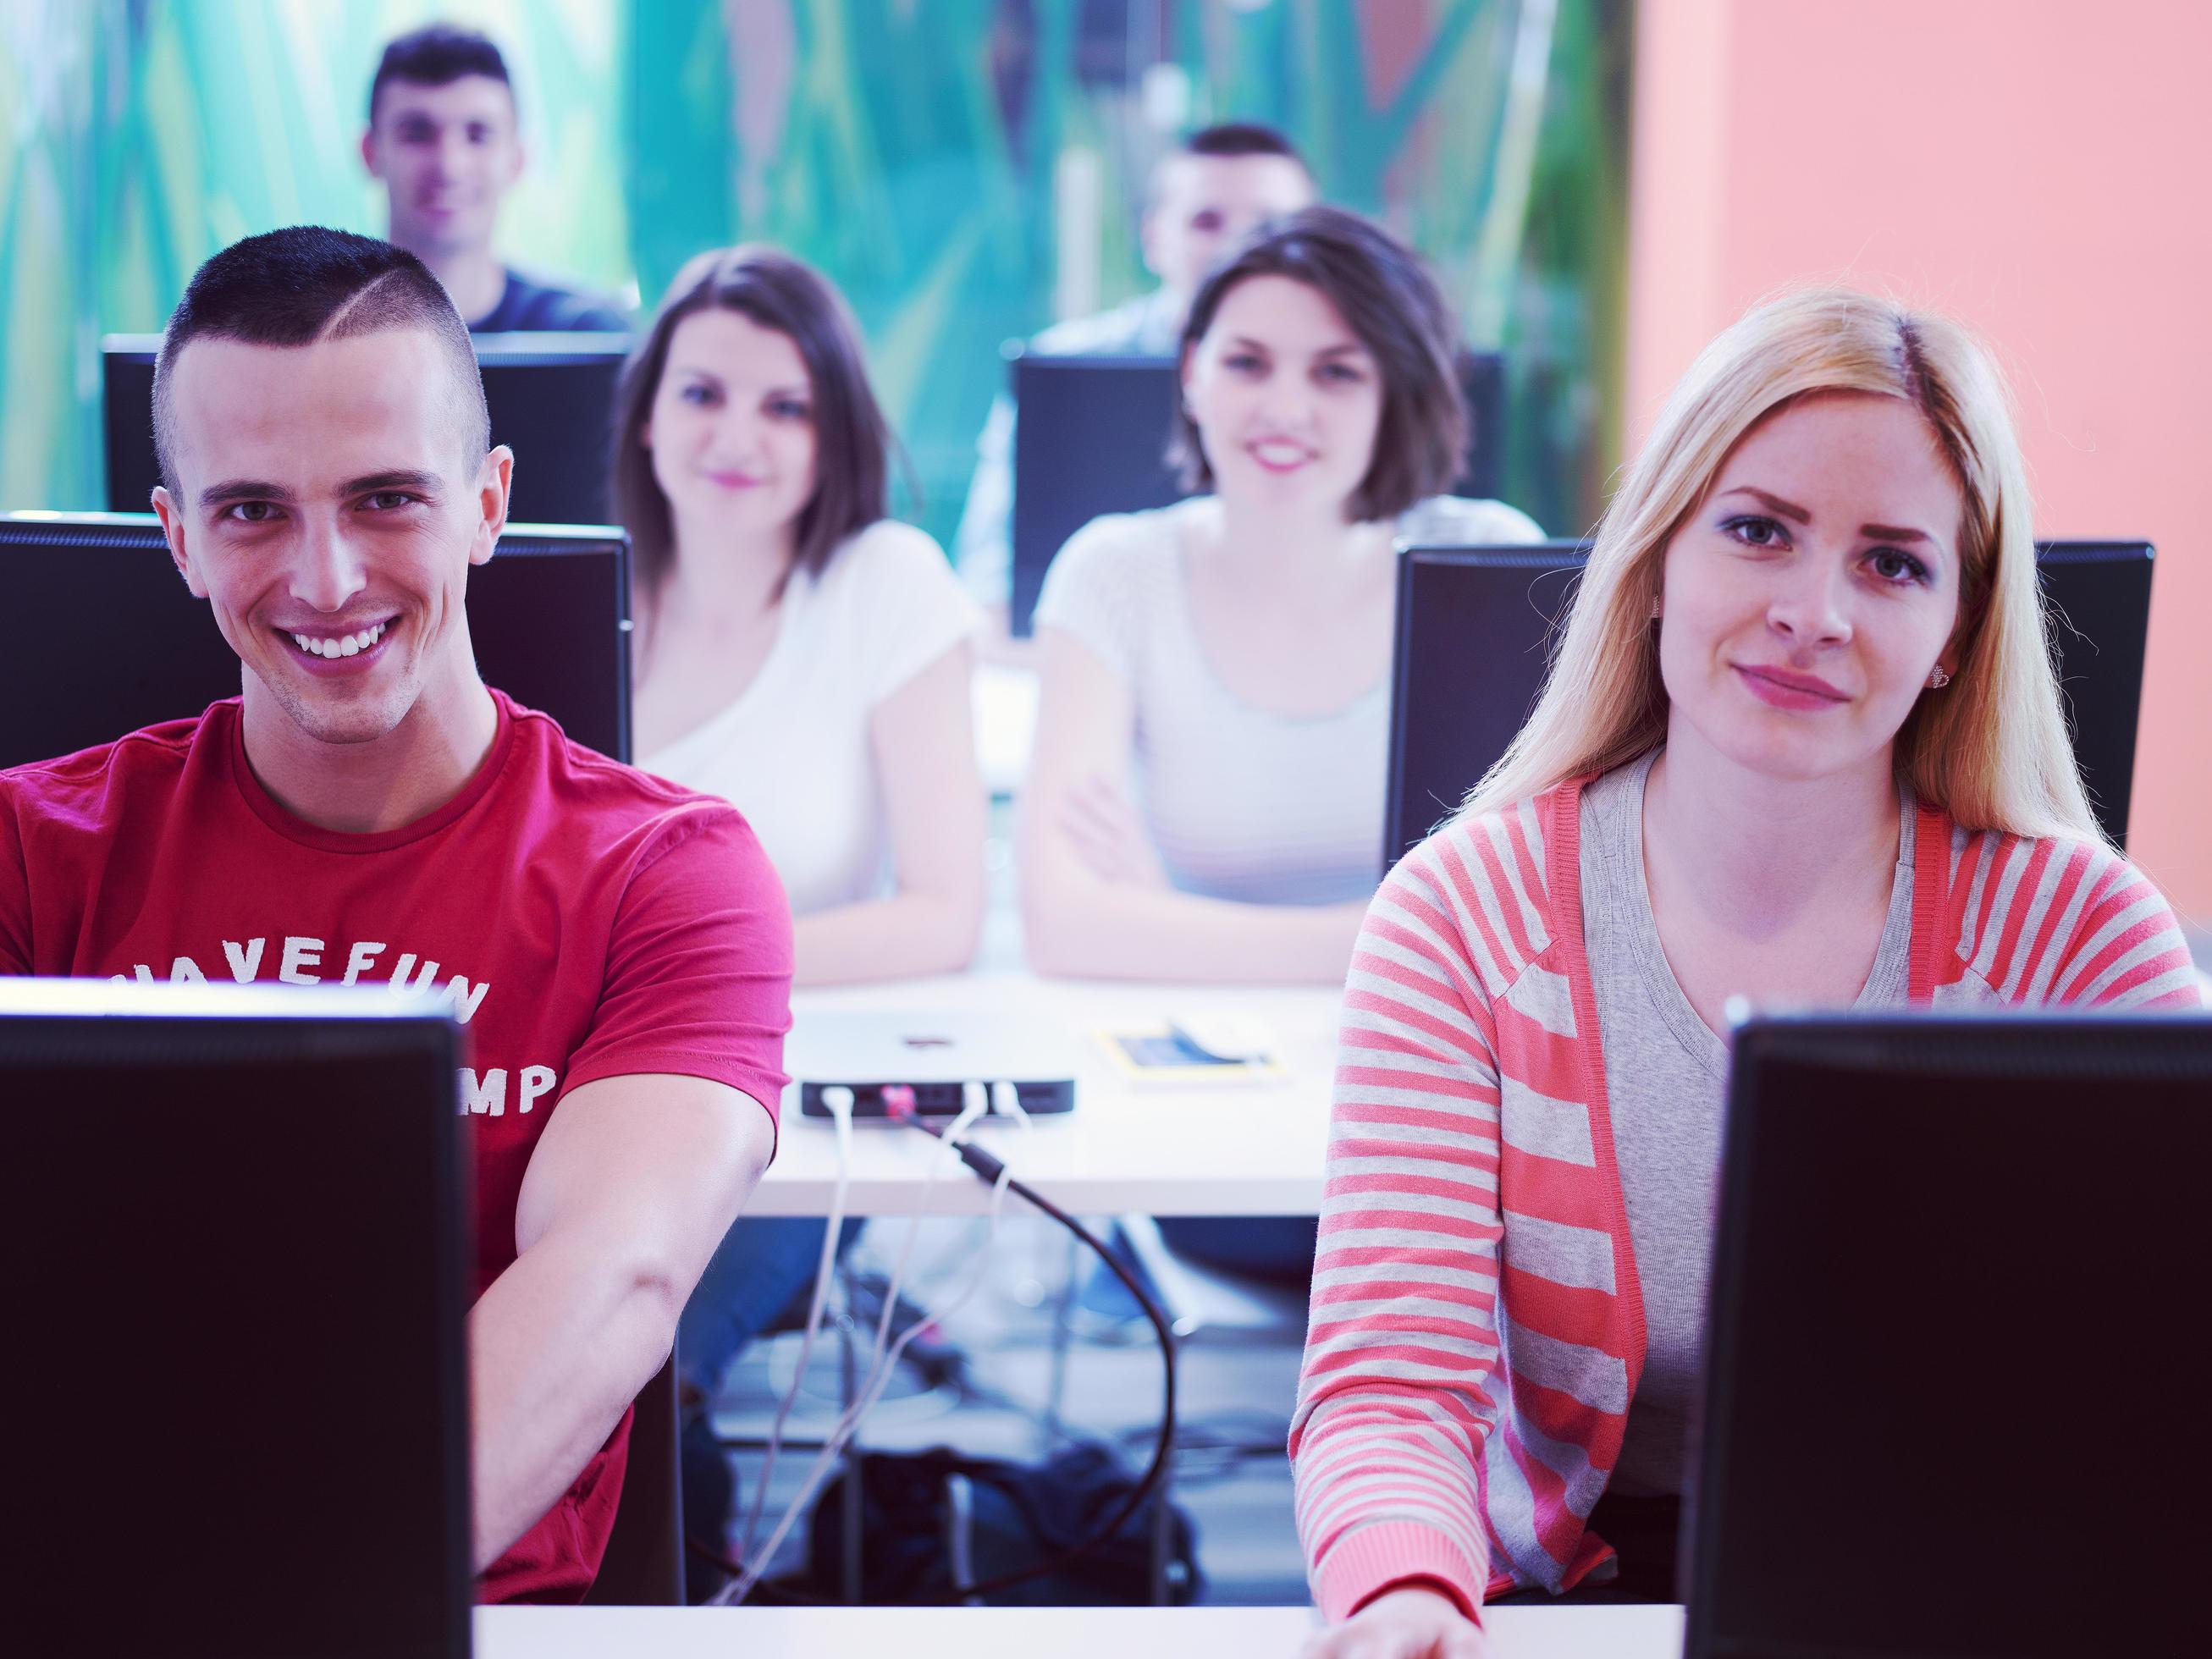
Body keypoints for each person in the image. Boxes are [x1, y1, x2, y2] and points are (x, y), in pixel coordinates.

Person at [1291, 287, 2204, 1659]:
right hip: (1563, 1601)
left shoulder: (2080, 939)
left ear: (1955, 631)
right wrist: (1409, 1607)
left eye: (1890, 563)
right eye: (1758, 530)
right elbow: (1389, 1395)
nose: (1810, 612)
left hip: (1968, 1601)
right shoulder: (1461, 918)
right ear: (1660, 558)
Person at [0, 227, 791, 1602]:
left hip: (455, 1616)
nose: (324, 578)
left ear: (486, 503)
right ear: (177, 538)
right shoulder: (32, 853)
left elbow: (615, 1276)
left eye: (383, 500)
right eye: (253, 511)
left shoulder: (667, 875)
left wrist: (278, 1595)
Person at [608, 245, 985, 1560]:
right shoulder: (567, 585)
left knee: (620, 1389)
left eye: (786, 406)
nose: (737, 437)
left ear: (834, 434)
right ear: (647, 407)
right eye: (704, 392)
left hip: (772, 1109)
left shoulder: (884, 583)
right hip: (565, 1084)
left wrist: (688, 978)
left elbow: (942, 913)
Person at [1019, 204, 1542, 986]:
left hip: (1443, 1051)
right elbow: (1063, 930)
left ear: (1391, 394)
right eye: (1247, 363)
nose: (1285, 410)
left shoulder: (1489, 560)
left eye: (1336, 371)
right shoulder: (1112, 573)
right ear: (1193, 371)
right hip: (1184, 1050)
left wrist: (1164, 923)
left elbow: (1531, 909)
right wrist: (1412, 941)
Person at [952, 122, 1316, 631]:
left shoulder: (1367, 382)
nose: (1242, 246)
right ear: (1153, 238)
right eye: (1207, 221)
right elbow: (990, 586)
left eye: (1271, 224)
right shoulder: (1063, 368)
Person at [362, 23, 627, 332]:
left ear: (518, 159)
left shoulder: (589, 337)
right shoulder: (311, 336)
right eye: (417, 134)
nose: (450, 166)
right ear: (370, 153)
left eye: (478, 135)